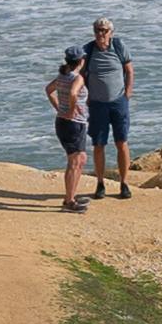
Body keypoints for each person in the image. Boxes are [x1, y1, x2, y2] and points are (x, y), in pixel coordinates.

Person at [81, 16, 136, 196]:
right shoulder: (88, 50)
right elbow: (81, 75)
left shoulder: (118, 46)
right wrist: (86, 96)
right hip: (97, 105)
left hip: (119, 102)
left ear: (111, 32)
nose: (100, 33)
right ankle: (100, 183)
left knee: (121, 142)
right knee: (99, 144)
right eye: (97, 30)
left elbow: (129, 70)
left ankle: (124, 183)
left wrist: (127, 93)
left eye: (104, 30)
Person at [46, 44, 91, 209]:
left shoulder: (62, 75)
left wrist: (59, 108)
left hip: (65, 122)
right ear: (80, 61)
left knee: (81, 159)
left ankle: (71, 196)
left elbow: (49, 90)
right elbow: (73, 93)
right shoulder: (76, 78)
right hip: (73, 123)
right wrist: (71, 111)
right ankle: (69, 201)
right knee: (74, 161)